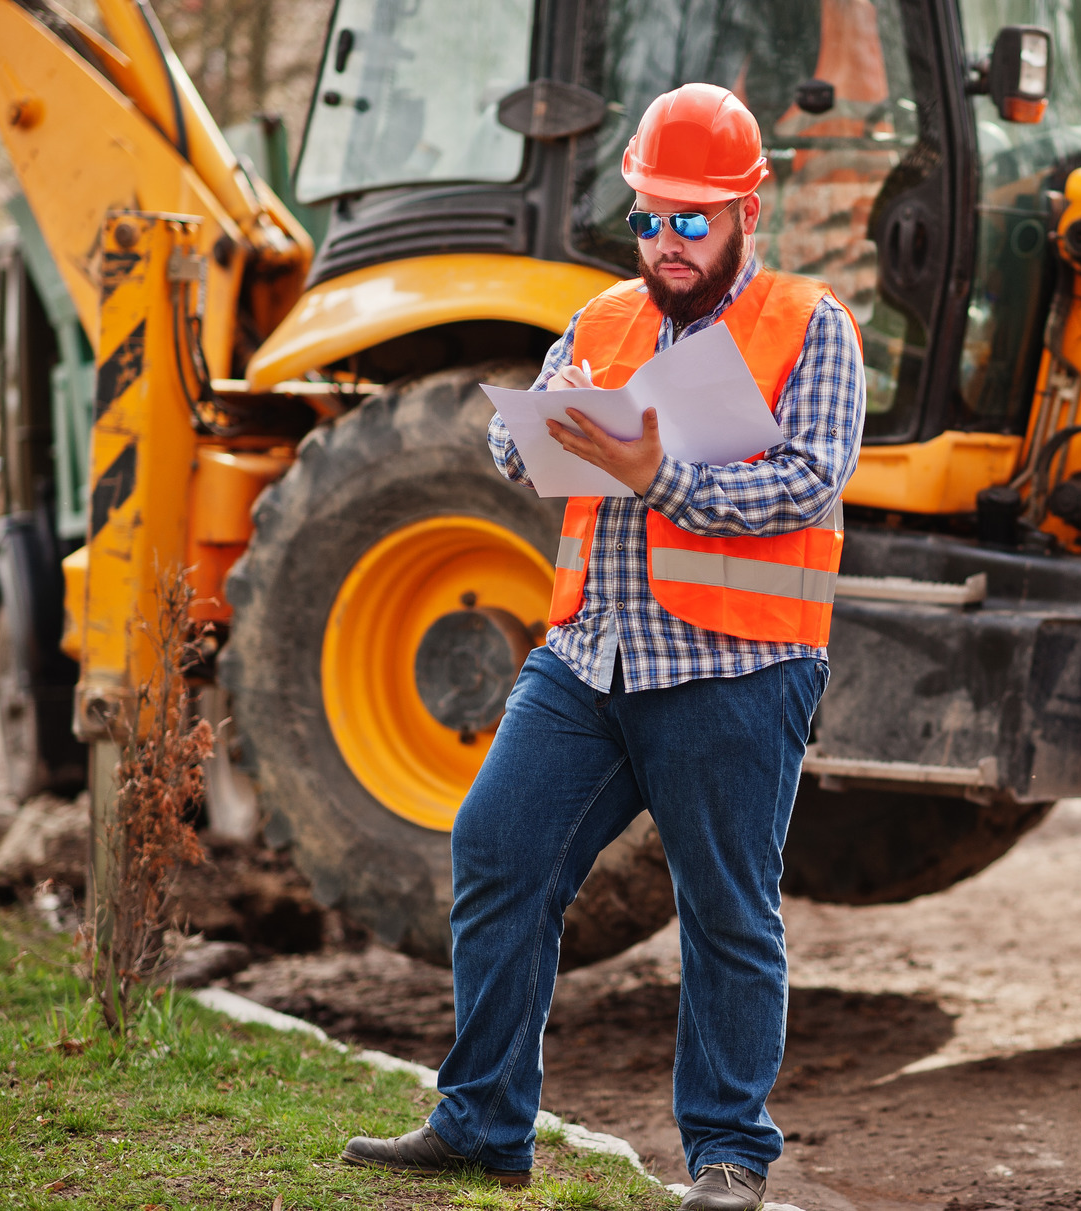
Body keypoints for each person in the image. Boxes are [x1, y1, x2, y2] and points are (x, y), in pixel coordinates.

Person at [339, 83, 866, 1211]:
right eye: (648, 218)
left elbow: (807, 481)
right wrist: (549, 422)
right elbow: (512, 443)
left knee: (725, 908)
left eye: (691, 220)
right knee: (496, 846)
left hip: (734, 664)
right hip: (588, 651)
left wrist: (657, 473)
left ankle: (728, 1157)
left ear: (747, 212)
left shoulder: (810, 325)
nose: (666, 241)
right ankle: (482, 1125)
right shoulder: (601, 319)